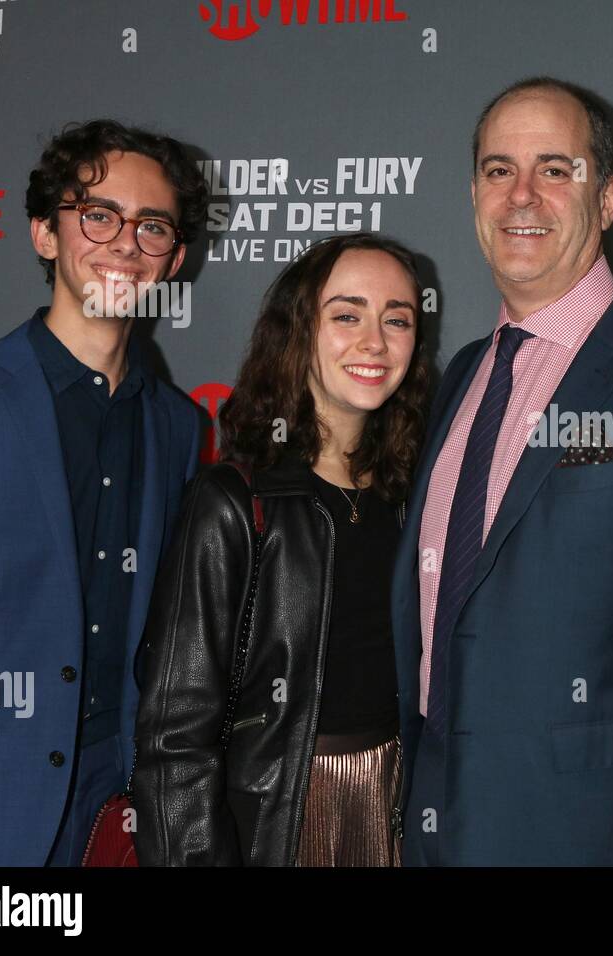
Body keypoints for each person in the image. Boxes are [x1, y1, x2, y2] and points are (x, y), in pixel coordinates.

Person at [392, 77, 613, 866]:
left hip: (578, 836)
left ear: (610, 196)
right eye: (497, 169)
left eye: (556, 169)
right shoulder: (458, 376)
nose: (522, 195)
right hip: (431, 818)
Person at [0, 119, 207, 866]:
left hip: (120, 811)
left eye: (152, 226)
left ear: (173, 260)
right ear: (45, 235)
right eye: (98, 214)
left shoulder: (180, 428)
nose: (125, 242)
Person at [132, 233, 428, 866]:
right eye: (347, 315)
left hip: (402, 812)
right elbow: (175, 733)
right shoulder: (235, 500)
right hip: (279, 816)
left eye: (396, 319)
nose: (374, 341)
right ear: (299, 331)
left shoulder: (416, 498)